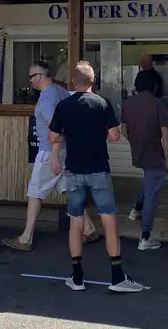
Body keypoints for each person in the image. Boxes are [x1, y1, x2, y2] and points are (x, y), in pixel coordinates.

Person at [49, 61, 144, 293]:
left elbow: (53, 137)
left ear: (73, 82)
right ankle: (117, 276)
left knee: (76, 222)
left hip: (73, 170)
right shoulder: (102, 103)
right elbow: (114, 136)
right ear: (93, 81)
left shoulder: (63, 106)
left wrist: (58, 151)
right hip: (99, 169)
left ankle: (77, 276)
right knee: (108, 220)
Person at [3, 61, 98, 252]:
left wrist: (54, 155)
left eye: (31, 76)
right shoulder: (61, 91)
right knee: (69, 191)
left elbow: (55, 128)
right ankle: (89, 228)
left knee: (35, 193)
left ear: (39, 76)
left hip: (50, 151)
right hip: (65, 149)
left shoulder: (46, 99)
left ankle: (26, 238)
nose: (30, 81)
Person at [122, 72, 168, 250]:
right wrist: (167, 159)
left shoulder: (128, 104)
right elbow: (165, 136)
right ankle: (145, 238)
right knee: (152, 194)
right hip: (155, 154)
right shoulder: (158, 104)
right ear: (154, 86)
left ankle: (136, 210)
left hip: (139, 153)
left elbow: (122, 130)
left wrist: (135, 143)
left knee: (148, 182)